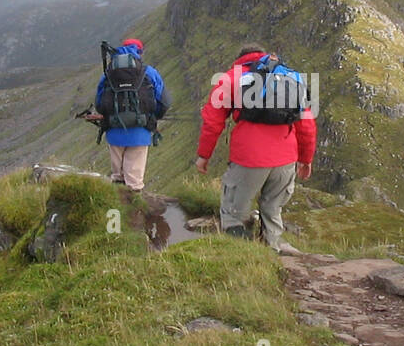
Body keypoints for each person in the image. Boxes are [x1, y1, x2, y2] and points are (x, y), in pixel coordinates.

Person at [194, 43, 315, 254]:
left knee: (233, 213)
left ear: (240, 58)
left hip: (250, 160)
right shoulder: (290, 78)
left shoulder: (231, 78)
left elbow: (212, 122)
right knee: (272, 209)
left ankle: (241, 260)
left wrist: (204, 155)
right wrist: (306, 159)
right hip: (286, 161)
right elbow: (306, 125)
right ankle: (272, 254)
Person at [94, 38, 168, 193]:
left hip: (114, 132)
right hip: (140, 132)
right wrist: (153, 117)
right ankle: (134, 211)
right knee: (134, 183)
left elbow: (99, 103)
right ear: (139, 52)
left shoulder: (109, 73)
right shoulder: (149, 72)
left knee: (118, 178)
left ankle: (117, 210)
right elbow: (165, 101)